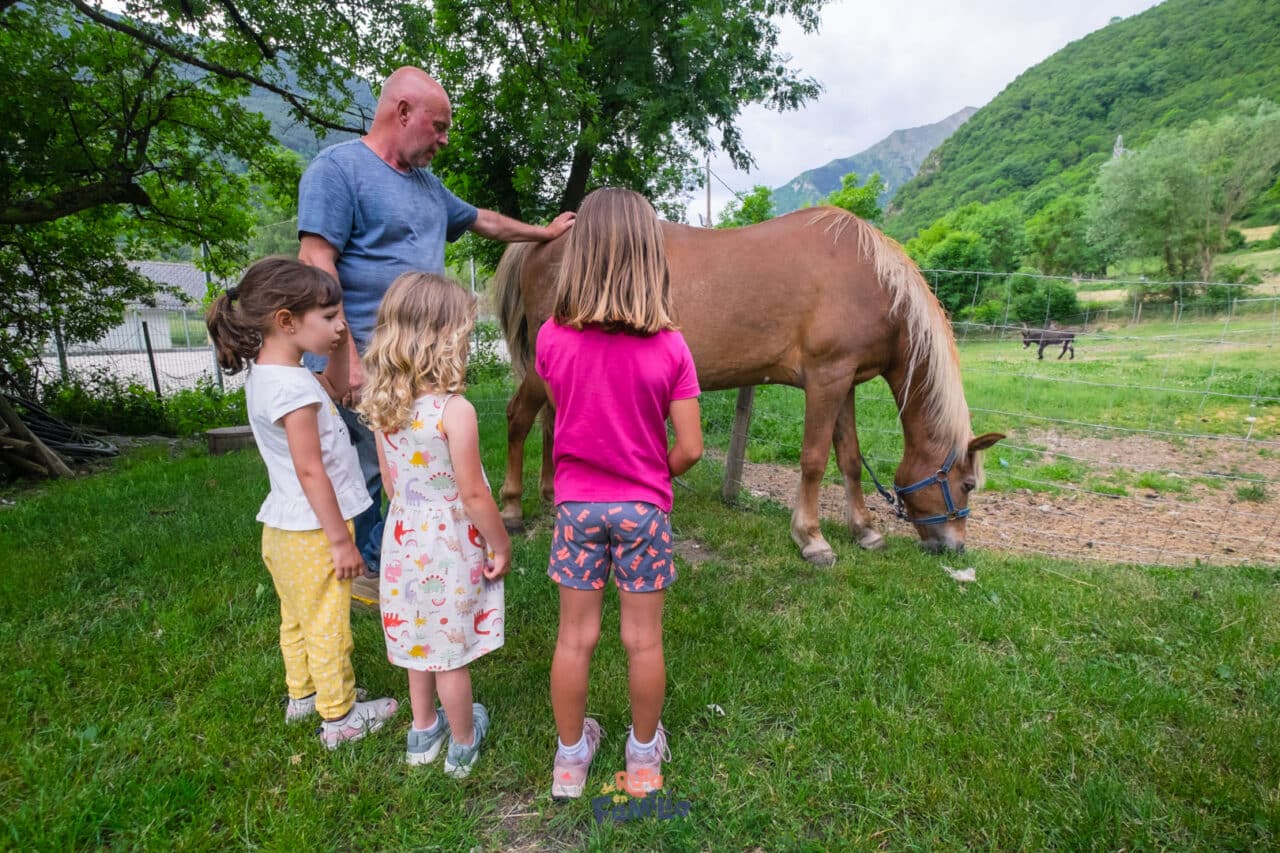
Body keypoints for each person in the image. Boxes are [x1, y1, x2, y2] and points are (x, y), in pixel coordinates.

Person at [297, 65, 574, 606]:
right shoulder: (338, 170)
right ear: (402, 112)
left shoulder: (425, 185)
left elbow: (485, 222)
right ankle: (368, 573)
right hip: (367, 355)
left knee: (415, 467)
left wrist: (542, 233)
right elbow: (316, 260)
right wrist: (342, 355)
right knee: (371, 471)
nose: (445, 140)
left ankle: (391, 563)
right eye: (439, 126)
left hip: (419, 363)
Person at [535, 188, 703, 800]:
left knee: (574, 638)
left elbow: (567, 413)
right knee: (643, 641)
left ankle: (570, 762)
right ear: (647, 255)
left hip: (577, 507)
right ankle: (642, 761)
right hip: (644, 511)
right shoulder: (671, 347)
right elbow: (690, 447)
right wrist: (648, 472)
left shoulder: (551, 339)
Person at [205, 257, 398, 749]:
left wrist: (340, 346)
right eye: (330, 317)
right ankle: (341, 719)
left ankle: (304, 696)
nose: (339, 326)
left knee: (296, 617)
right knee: (327, 624)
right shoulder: (290, 386)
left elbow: (333, 390)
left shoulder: (276, 375)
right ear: (287, 321)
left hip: (284, 528)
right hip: (315, 532)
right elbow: (312, 469)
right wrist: (341, 541)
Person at [356, 273, 512, 777]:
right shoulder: (454, 410)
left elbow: (394, 482)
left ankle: (422, 732)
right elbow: (472, 493)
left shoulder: (384, 408)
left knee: (417, 642)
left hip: (405, 539)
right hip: (448, 542)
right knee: (450, 653)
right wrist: (500, 542)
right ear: (446, 339)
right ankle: (463, 742)